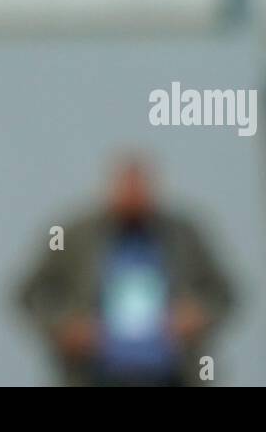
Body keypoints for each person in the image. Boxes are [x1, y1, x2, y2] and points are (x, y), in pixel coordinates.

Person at [14, 155, 235, 386]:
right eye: (127, 187)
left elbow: (225, 292)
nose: (133, 196)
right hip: (96, 376)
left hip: (172, 375)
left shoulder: (184, 233)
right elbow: (28, 293)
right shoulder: (73, 235)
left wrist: (200, 314)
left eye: (140, 188)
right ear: (111, 188)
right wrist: (63, 325)